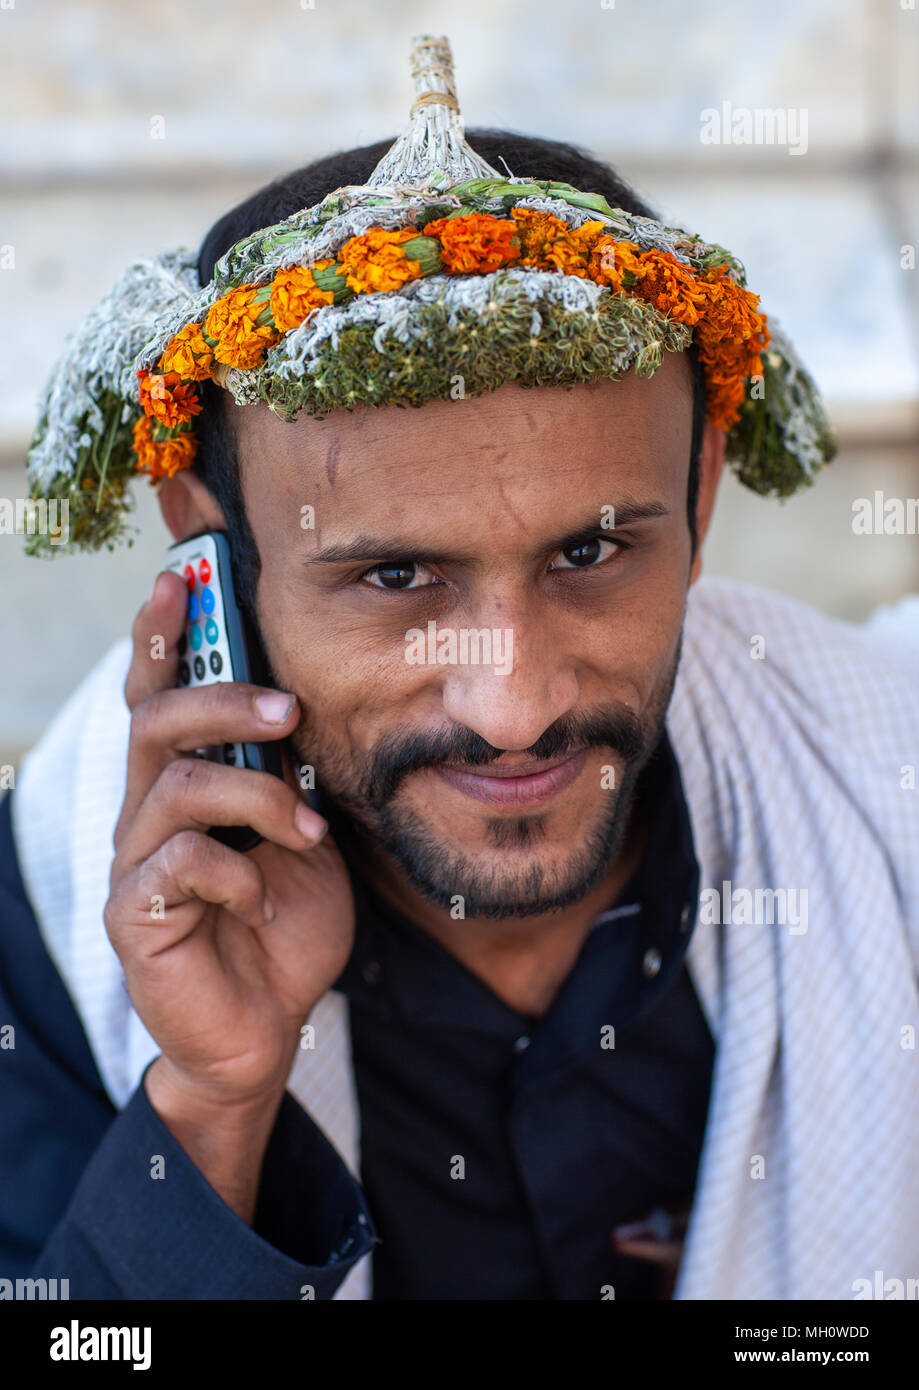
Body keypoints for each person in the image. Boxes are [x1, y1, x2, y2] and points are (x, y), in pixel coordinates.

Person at [3, 37, 916, 1301]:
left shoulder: (884, 799)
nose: (514, 702)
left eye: (590, 551)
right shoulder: (52, 926)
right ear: (207, 535)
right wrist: (214, 1104)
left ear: (700, 492)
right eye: (395, 578)